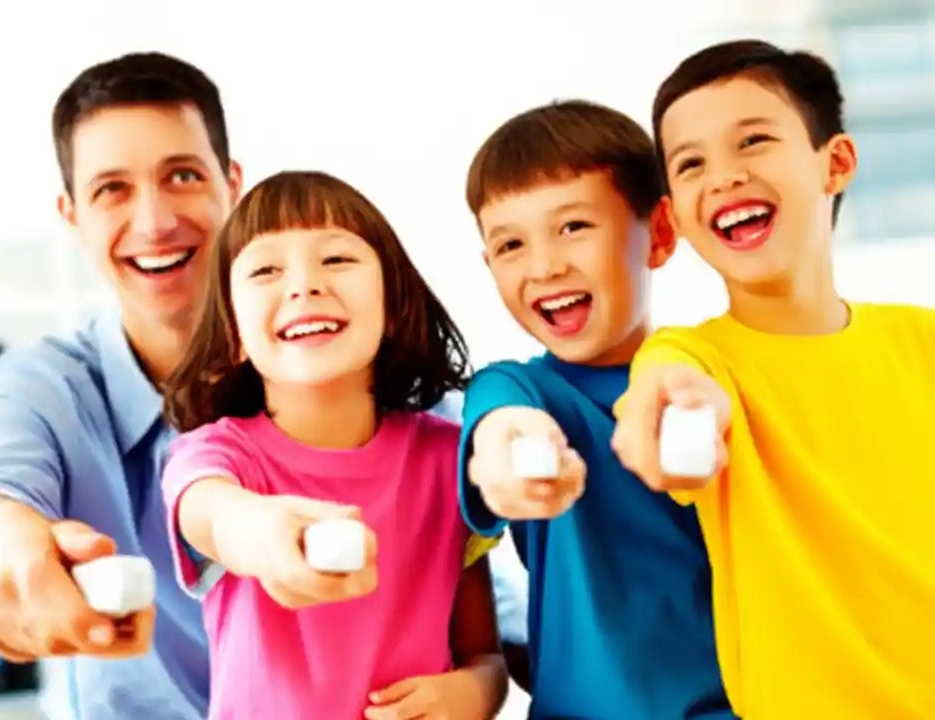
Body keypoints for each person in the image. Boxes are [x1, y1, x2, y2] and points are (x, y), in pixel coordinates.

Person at [0, 51, 243, 720]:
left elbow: (474, 582)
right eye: (112, 189)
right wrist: (0, 550)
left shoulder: (339, 359)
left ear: (230, 185)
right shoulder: (38, 390)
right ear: (72, 215)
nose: (153, 221)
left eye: (181, 175)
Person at [611, 39, 935, 719]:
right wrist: (667, 412)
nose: (724, 176)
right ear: (672, 214)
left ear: (835, 162)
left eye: (752, 141)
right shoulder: (698, 357)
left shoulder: (922, 340)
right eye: (691, 163)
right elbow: (662, 389)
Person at [160, 170, 509, 720]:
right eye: (267, 269)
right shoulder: (217, 458)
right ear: (232, 335)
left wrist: (472, 695)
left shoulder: (450, 461)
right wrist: (260, 532)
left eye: (337, 260)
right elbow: (211, 512)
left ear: (394, 306)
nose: (304, 286)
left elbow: (485, 656)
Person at [457, 100, 735, 718]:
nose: (544, 265)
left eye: (574, 227)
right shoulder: (517, 392)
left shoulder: (717, 381)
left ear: (659, 233)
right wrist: (513, 460)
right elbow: (501, 434)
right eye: (510, 245)